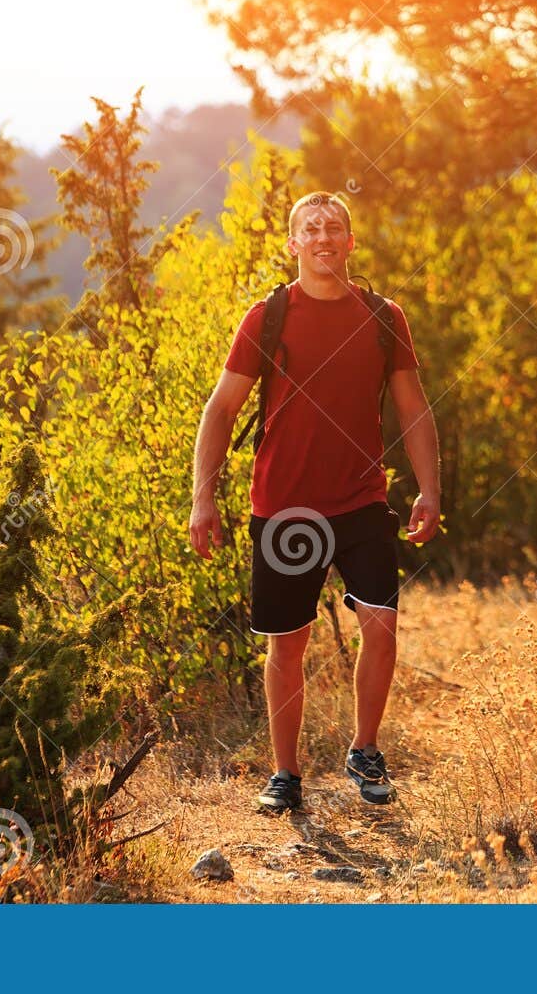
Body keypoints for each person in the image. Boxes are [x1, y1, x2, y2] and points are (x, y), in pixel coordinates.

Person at [189, 191, 441, 812]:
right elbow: (221, 410)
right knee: (288, 642)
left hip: (361, 502)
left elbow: (412, 410)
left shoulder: (384, 316)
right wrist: (203, 499)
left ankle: (364, 748)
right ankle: (286, 773)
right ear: (293, 243)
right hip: (285, 506)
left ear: (351, 242)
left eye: (335, 228)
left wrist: (431, 490)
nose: (324, 237)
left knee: (381, 626)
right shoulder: (268, 317)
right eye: (311, 229)